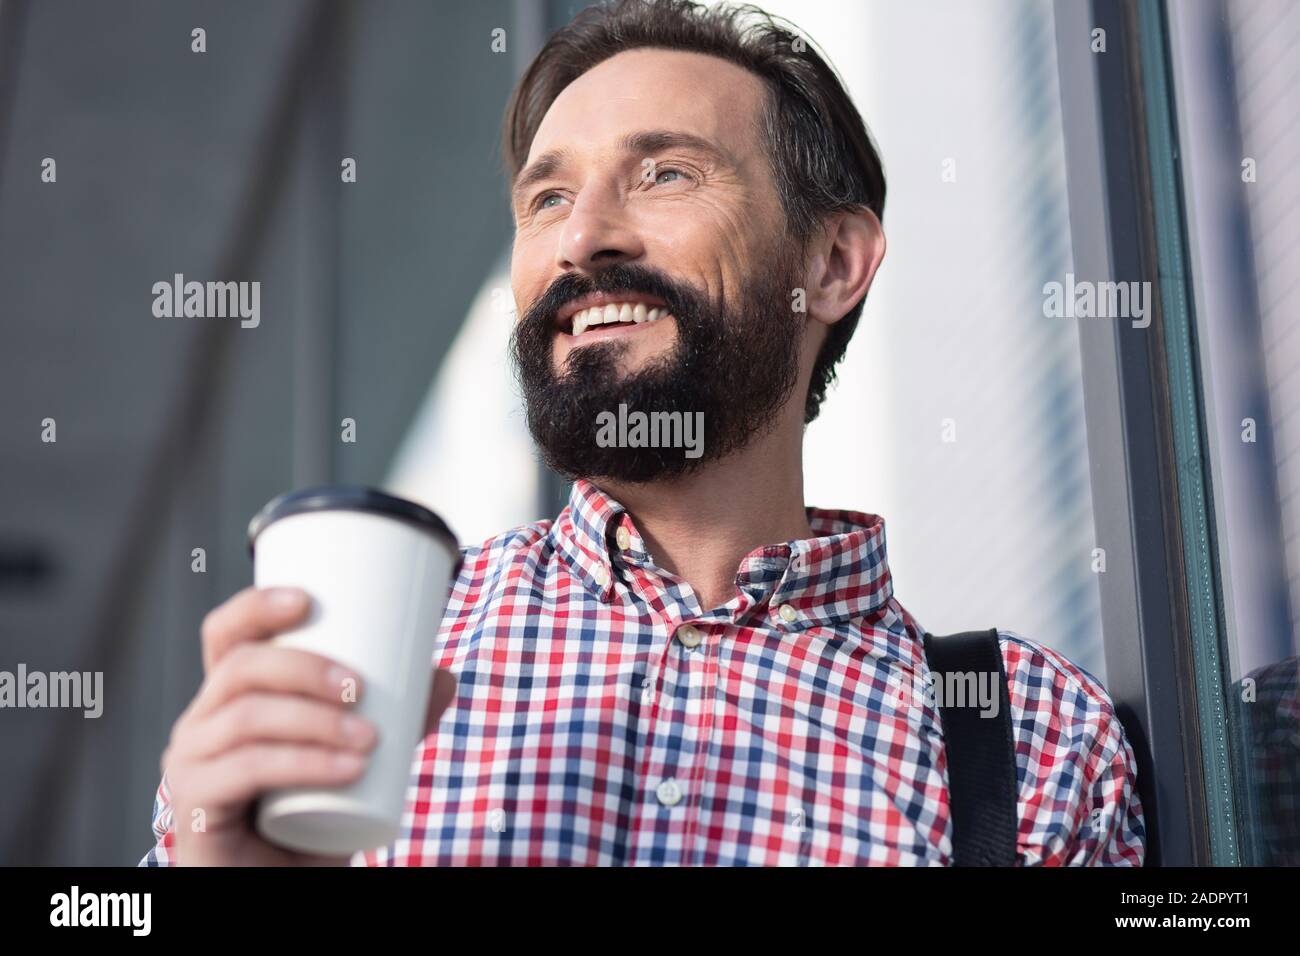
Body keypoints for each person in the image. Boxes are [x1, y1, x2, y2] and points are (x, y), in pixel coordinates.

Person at [141, 0, 1144, 866]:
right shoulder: (363, 656)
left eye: (664, 173)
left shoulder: (1030, 737)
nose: (581, 238)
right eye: (546, 197)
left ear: (833, 262)